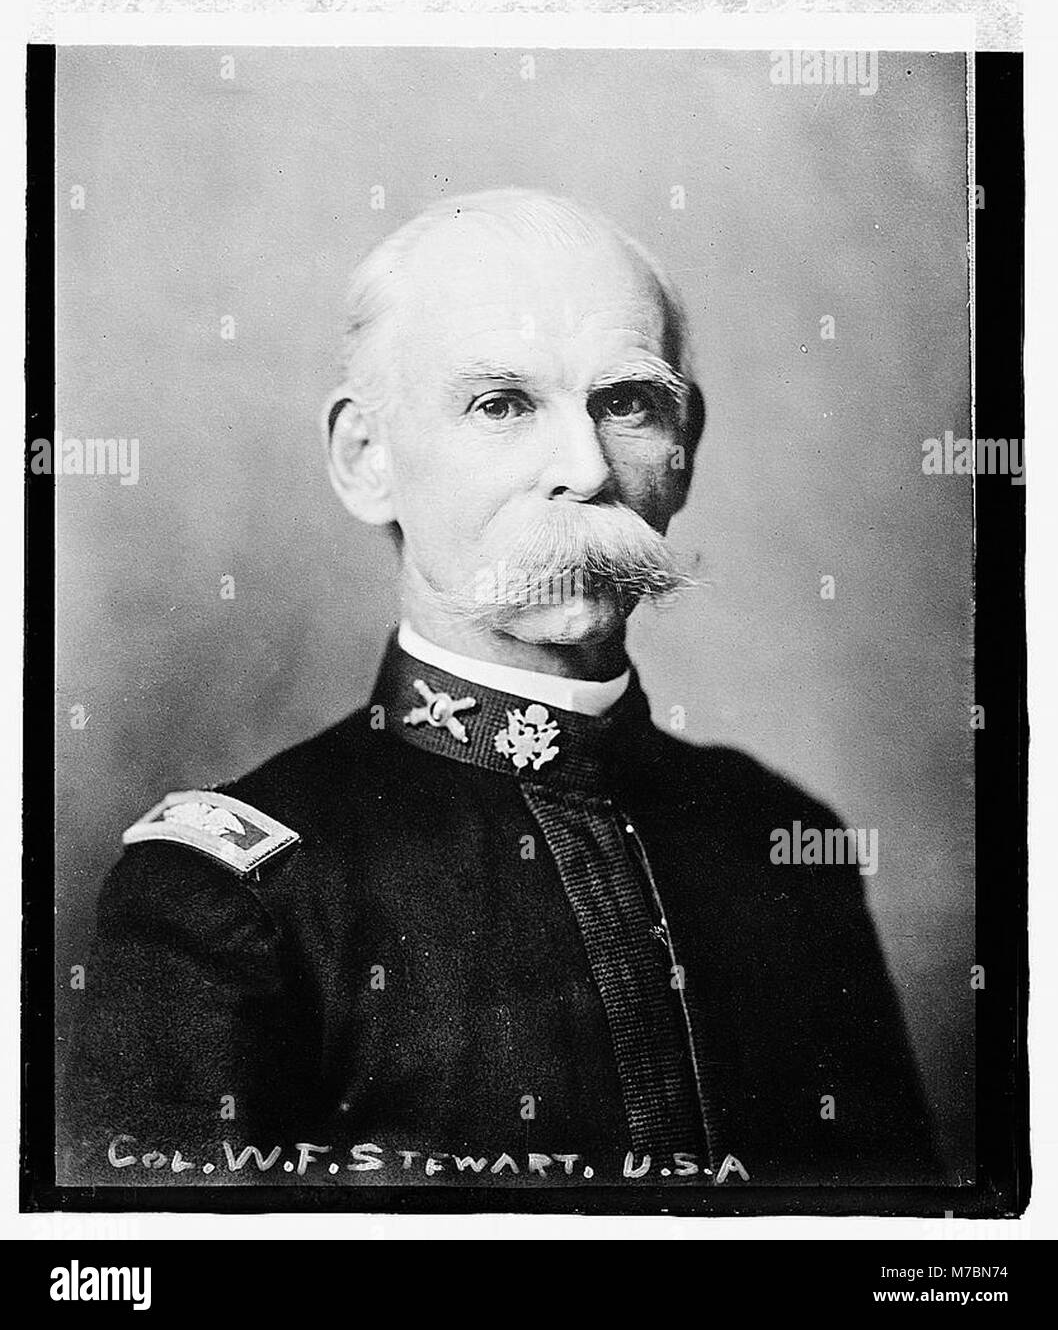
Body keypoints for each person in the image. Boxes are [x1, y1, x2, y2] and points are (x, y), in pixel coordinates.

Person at [63, 189, 939, 1189]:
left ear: (682, 447)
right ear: (366, 459)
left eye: (624, 402)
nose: (581, 469)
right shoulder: (231, 896)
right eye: (501, 404)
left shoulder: (780, 841)